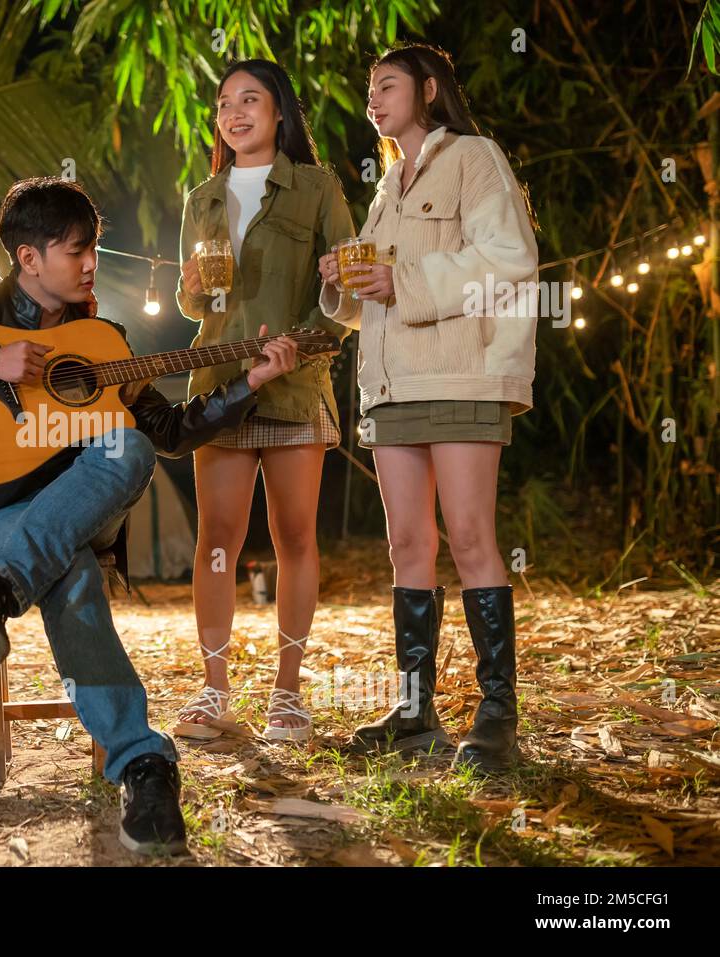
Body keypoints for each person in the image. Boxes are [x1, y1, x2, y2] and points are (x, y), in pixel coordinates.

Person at [0, 177, 299, 854]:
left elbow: (173, 432)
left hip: (79, 508)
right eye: (77, 250)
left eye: (94, 248)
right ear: (29, 259)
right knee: (73, 577)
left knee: (127, 443)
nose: (92, 263)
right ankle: (145, 766)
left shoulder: (103, 338)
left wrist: (249, 384)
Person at [317, 44, 538, 771]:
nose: (374, 99)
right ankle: (416, 709)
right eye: (369, 88)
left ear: (429, 89)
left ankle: (496, 712)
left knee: (470, 535)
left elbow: (507, 260)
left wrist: (400, 276)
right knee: (408, 545)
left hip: (462, 375)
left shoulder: (475, 158)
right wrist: (344, 280)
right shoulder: (387, 188)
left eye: (387, 85)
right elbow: (373, 302)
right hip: (391, 385)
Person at [175, 59, 355, 742]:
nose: (235, 112)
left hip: (294, 382)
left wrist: (306, 344)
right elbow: (201, 304)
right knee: (216, 540)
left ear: (280, 111)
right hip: (220, 385)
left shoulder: (316, 189)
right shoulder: (203, 196)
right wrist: (193, 286)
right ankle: (213, 689)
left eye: (251, 99)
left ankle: (288, 694)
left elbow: (349, 287)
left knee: (294, 537)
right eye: (225, 103)